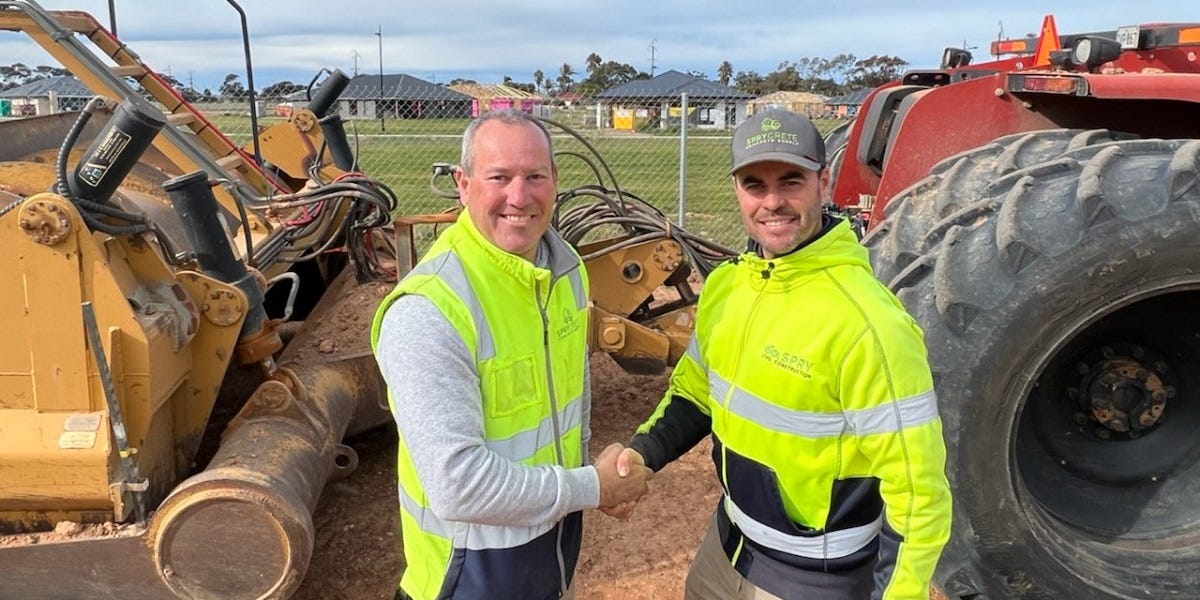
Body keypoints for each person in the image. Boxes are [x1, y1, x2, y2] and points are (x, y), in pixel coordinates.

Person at [616, 108, 952, 599]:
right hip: (726, 550)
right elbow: (695, 394)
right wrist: (644, 453)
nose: (772, 202)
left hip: (814, 581)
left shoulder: (867, 323)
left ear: (824, 181)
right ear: (737, 191)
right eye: (755, 184)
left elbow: (919, 494)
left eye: (790, 181)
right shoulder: (727, 289)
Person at [371, 109, 652, 600]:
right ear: (463, 184)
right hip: (467, 574)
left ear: (556, 181)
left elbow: (570, 396)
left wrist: (585, 468)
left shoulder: (565, 273)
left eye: (535, 177)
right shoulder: (431, 309)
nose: (518, 197)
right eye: (499, 177)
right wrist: (592, 487)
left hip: (549, 548)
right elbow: (458, 485)